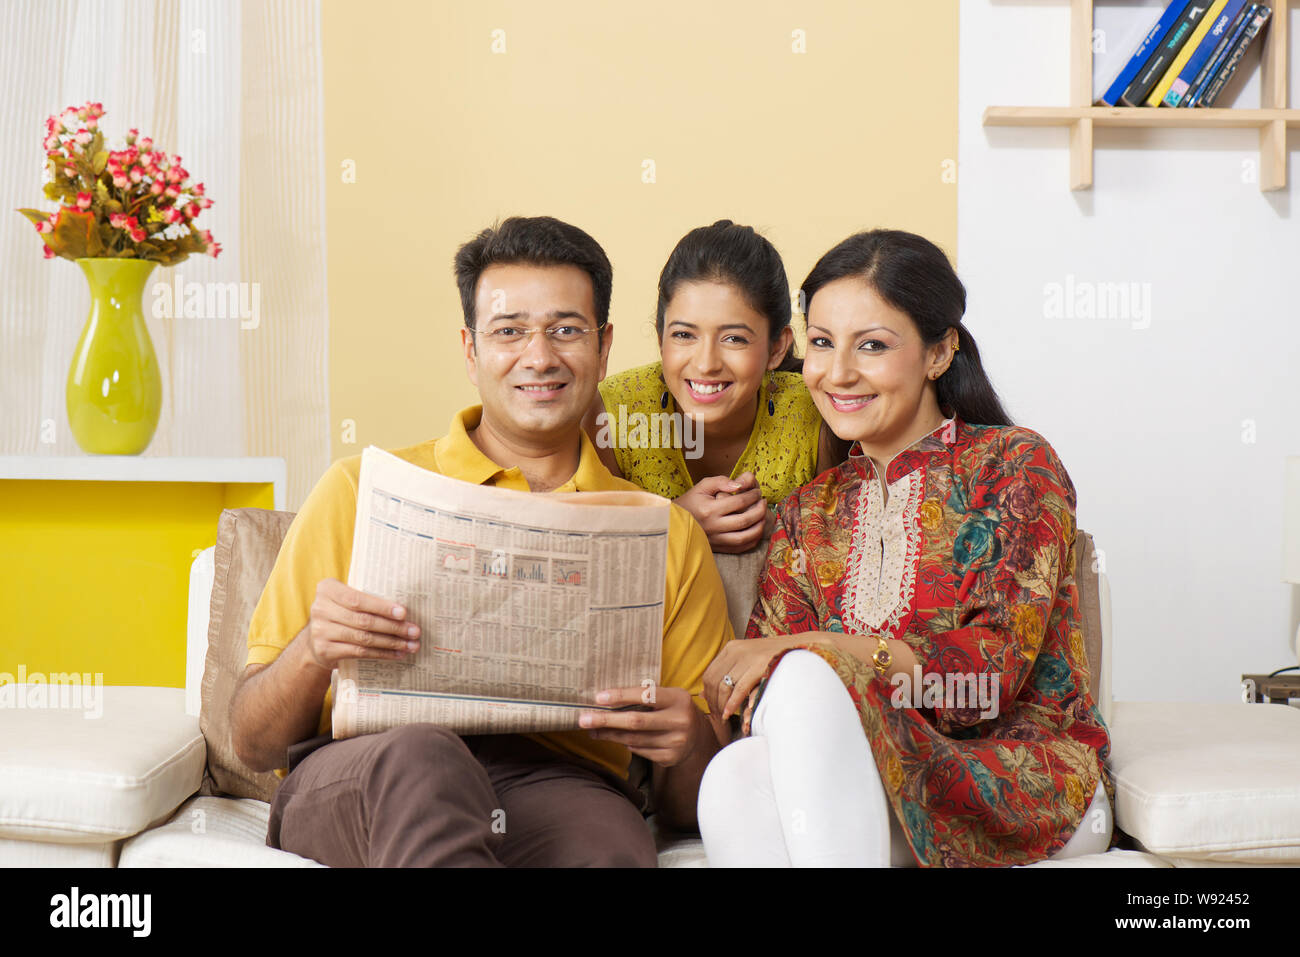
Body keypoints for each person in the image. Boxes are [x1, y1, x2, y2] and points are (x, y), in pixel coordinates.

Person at [229, 215, 733, 867]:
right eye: (509, 331)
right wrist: (313, 650)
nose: (540, 356)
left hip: (557, 782)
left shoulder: (662, 531)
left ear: (603, 348)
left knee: (610, 840)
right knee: (425, 760)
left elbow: (688, 807)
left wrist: (687, 737)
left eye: (566, 330)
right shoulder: (361, 488)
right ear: (470, 350)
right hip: (372, 767)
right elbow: (252, 742)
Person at [695, 229, 1115, 867]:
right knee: (733, 779)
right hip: (865, 779)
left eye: (872, 346)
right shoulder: (811, 512)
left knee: (806, 671)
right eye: (820, 343)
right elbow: (761, 695)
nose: (838, 374)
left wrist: (818, 650)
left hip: (1018, 778)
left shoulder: (1014, 464)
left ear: (939, 351)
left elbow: (987, 677)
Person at [585, 220, 847, 554]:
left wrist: (779, 528)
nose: (706, 363)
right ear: (660, 339)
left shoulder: (815, 410)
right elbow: (589, 548)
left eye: (734, 338)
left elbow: (842, 549)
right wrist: (673, 521)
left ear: (777, 348)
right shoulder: (612, 410)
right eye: (683, 335)